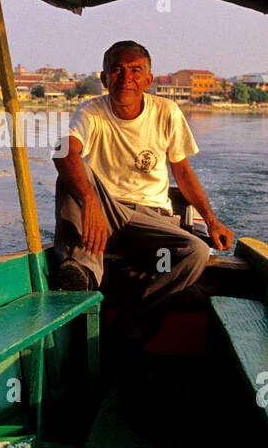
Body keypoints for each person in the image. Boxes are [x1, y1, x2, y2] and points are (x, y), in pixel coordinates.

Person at [52, 40, 235, 311]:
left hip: (153, 220)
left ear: (148, 80)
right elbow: (62, 151)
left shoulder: (166, 112)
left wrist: (211, 220)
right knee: (71, 170)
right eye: (117, 70)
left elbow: (182, 172)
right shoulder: (91, 112)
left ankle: (136, 312)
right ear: (104, 78)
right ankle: (84, 272)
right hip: (106, 215)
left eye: (135, 71)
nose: (126, 78)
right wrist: (90, 200)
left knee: (195, 252)